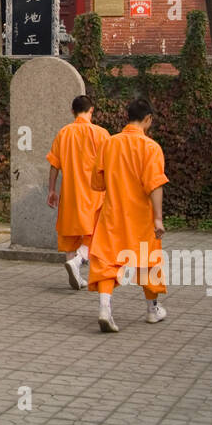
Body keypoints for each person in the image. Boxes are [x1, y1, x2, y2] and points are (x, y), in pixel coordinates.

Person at [87, 97, 169, 332]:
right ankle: (152, 310)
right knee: (148, 260)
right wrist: (158, 218)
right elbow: (155, 185)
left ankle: (105, 307)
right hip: (141, 216)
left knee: (106, 260)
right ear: (148, 119)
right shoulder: (151, 148)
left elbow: (97, 182)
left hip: (112, 213)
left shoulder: (109, 144)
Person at [46, 95, 110, 290]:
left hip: (70, 191)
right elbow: (109, 165)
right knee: (96, 231)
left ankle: (74, 270)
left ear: (72, 111)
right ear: (91, 110)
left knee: (70, 234)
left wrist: (51, 190)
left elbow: (54, 165)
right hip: (95, 192)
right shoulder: (101, 134)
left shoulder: (64, 133)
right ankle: (78, 262)